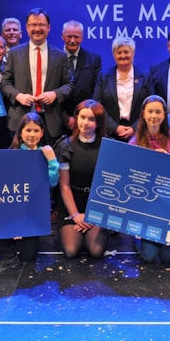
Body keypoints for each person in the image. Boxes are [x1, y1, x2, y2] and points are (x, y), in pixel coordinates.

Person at [0, 112, 60, 273]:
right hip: (11, 212)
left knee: (28, 256)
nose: (32, 135)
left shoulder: (45, 153)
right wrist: (15, 222)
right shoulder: (11, 155)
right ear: (20, 132)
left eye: (36, 131)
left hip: (33, 214)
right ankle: (8, 255)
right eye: (28, 130)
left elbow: (53, 182)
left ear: (42, 133)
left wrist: (51, 160)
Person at [129, 95, 170, 264]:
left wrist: (168, 161)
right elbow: (130, 178)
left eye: (158, 111)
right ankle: (137, 239)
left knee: (167, 257)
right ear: (143, 114)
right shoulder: (134, 143)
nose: (154, 116)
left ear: (164, 115)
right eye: (150, 111)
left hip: (169, 208)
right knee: (149, 256)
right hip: (145, 207)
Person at [0, 8, 74, 146]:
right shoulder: (15, 54)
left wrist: (55, 94)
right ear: (27, 28)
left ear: (49, 27)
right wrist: (18, 96)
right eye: (33, 25)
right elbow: (5, 83)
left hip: (50, 122)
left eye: (41, 24)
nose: (37, 28)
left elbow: (69, 84)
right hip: (20, 121)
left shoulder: (60, 56)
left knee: (49, 164)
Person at [57, 99, 109, 259]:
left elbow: (110, 187)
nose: (85, 123)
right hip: (72, 207)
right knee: (71, 251)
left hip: (97, 209)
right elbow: (64, 185)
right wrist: (75, 215)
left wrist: (95, 216)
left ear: (98, 123)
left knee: (95, 251)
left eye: (91, 119)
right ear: (76, 118)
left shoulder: (108, 147)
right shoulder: (66, 146)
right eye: (82, 117)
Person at [94, 36, 152, 142]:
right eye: (119, 52)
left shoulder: (145, 76)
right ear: (113, 54)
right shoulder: (103, 76)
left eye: (126, 52)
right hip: (110, 134)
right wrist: (115, 128)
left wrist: (134, 128)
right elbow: (97, 105)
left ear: (133, 53)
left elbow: (150, 106)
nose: (123, 55)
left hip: (139, 134)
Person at [60, 20, 102, 128]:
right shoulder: (54, 58)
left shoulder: (94, 60)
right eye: (69, 36)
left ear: (82, 38)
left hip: (87, 120)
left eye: (76, 37)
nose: (72, 40)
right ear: (62, 37)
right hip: (59, 120)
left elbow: (97, 91)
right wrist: (63, 115)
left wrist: (84, 115)